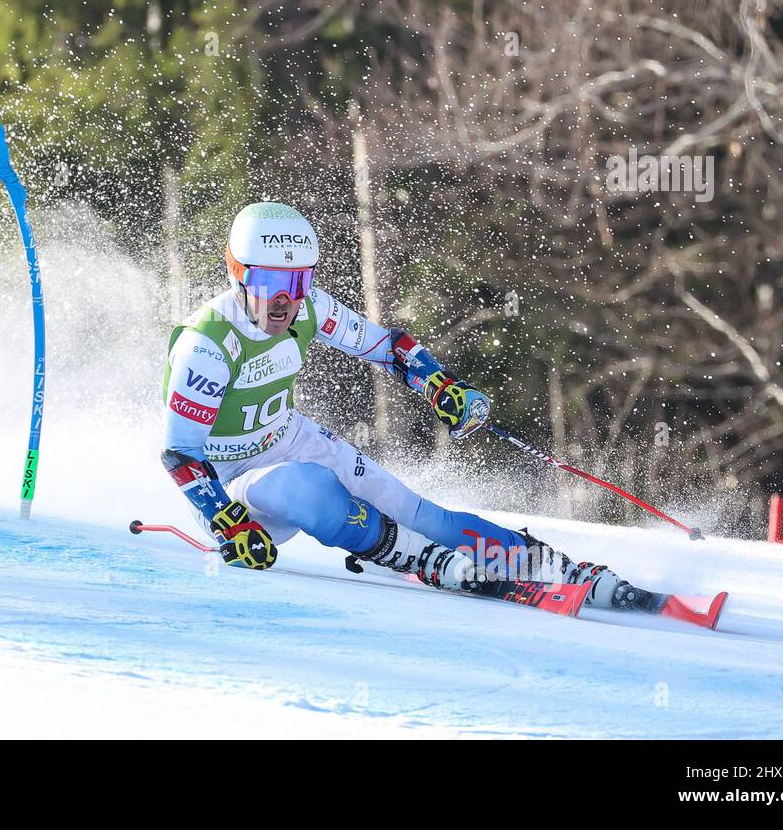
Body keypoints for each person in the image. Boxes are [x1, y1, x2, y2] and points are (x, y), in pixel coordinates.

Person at [160, 201, 645, 609]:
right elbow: (181, 454)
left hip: (288, 438)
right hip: (228, 482)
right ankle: (417, 557)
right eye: (269, 283)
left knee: (421, 515)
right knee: (308, 487)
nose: (285, 301)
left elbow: (386, 347)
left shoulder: (309, 308)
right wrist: (228, 523)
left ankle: (546, 565)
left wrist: (439, 384)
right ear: (239, 274)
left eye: (299, 282)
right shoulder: (207, 345)